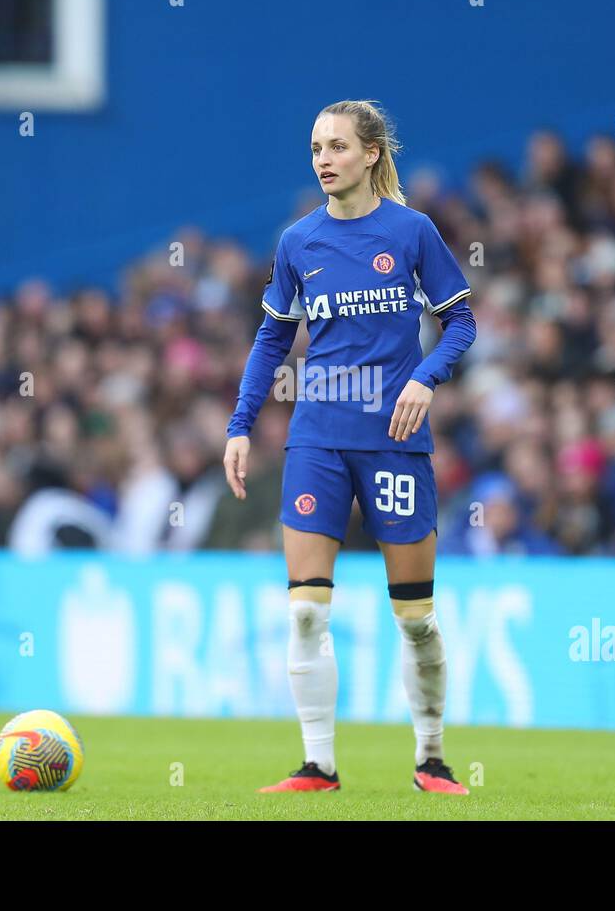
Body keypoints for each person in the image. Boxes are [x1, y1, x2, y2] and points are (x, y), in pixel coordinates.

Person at [224, 100, 476, 793]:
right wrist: (241, 423)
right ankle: (319, 765)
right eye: (314, 148)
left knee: (416, 619)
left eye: (336, 146)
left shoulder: (412, 231)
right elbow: (272, 338)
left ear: (371, 153)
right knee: (305, 608)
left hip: (394, 442)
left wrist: (426, 378)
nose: (323, 159)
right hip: (319, 439)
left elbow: (460, 322)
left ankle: (431, 758)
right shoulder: (297, 242)